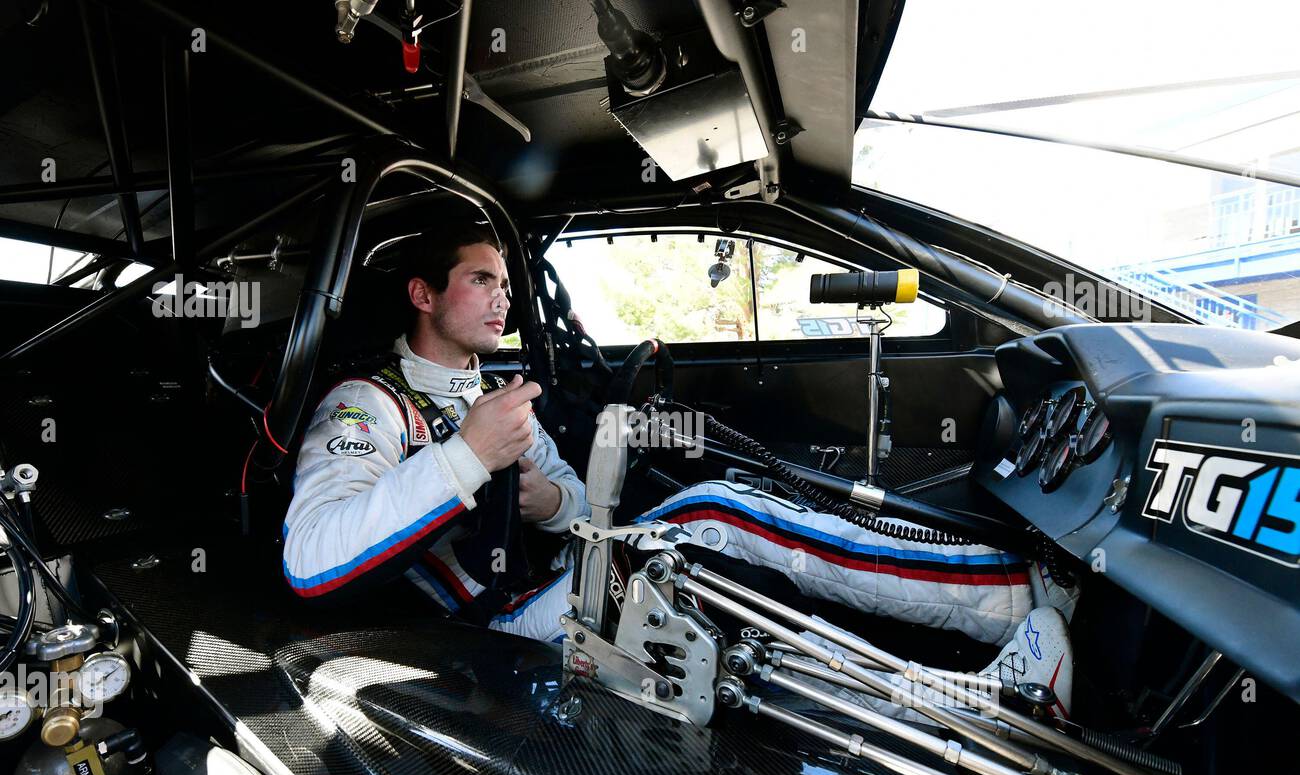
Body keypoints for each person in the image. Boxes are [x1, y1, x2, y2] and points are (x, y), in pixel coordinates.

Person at [281, 220, 1076, 711]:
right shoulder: (367, 404)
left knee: (721, 519)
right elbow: (311, 561)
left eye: (504, 282)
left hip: (547, 590)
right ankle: (1007, 596)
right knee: (712, 516)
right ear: (424, 294)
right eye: (480, 280)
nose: (502, 300)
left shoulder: (495, 392)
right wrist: (465, 458)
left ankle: (969, 681)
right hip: (482, 639)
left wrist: (545, 499)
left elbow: (568, 507)